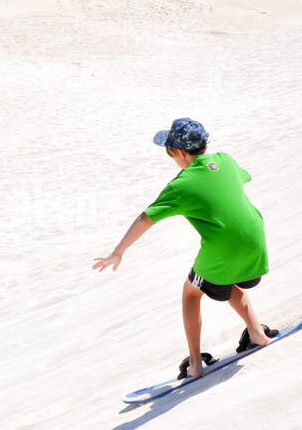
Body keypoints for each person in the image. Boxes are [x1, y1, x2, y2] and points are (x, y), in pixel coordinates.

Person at [92, 118, 276, 381]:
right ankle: (257, 333)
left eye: (169, 152)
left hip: (224, 251)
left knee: (191, 292)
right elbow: (241, 179)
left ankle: (195, 364)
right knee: (224, 281)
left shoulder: (182, 184)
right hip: (256, 245)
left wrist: (118, 252)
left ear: (179, 153)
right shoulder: (225, 160)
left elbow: (147, 218)